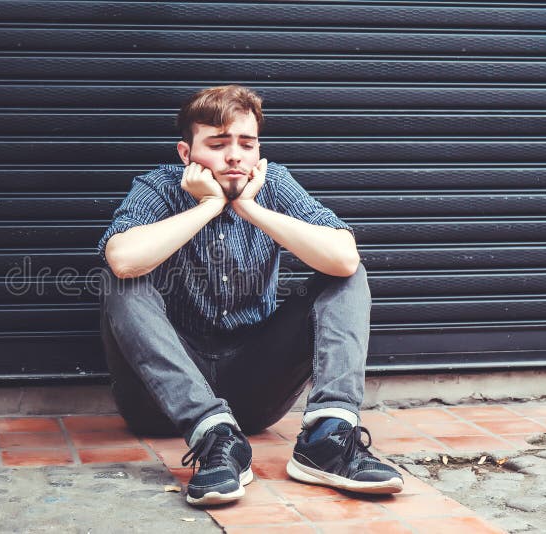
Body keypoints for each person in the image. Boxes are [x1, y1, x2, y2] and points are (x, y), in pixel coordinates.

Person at [96, 85, 403, 506]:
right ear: (186, 154)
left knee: (344, 276)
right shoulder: (160, 187)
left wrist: (249, 208)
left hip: (253, 388)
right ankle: (214, 436)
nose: (235, 156)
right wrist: (207, 206)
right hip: (160, 401)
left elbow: (344, 257)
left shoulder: (271, 182)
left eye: (246, 143)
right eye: (218, 144)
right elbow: (123, 259)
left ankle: (327, 439)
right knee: (120, 280)